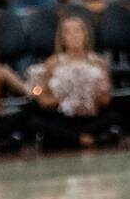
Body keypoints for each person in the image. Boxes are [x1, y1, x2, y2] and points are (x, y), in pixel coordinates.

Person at [28, 14, 118, 150]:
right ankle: (81, 139)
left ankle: (78, 138)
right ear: (62, 38)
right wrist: (64, 98)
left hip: (90, 116)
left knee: (114, 115)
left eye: (78, 30)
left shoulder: (99, 62)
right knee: (35, 121)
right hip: (64, 118)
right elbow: (42, 98)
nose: (74, 35)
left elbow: (106, 100)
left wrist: (89, 95)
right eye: (68, 32)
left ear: (85, 34)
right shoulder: (53, 63)